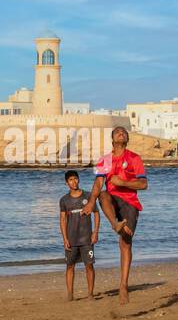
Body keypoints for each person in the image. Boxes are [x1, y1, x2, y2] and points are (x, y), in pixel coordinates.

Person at [83, 126, 147, 303]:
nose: (121, 133)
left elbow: (143, 184)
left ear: (127, 139)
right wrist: (89, 202)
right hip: (111, 200)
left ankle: (123, 285)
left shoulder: (134, 158)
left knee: (125, 243)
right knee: (103, 194)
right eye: (118, 132)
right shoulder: (105, 160)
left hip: (130, 203)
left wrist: (123, 182)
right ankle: (114, 223)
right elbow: (98, 184)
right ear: (112, 139)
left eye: (124, 132)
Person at [59, 169, 99, 301]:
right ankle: (70, 294)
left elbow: (96, 214)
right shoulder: (64, 200)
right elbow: (63, 220)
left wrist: (95, 232)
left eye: (75, 178)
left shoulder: (88, 196)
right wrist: (65, 239)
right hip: (71, 239)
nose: (74, 181)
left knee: (89, 265)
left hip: (86, 238)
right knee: (70, 266)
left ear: (78, 179)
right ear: (66, 183)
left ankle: (90, 294)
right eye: (70, 180)